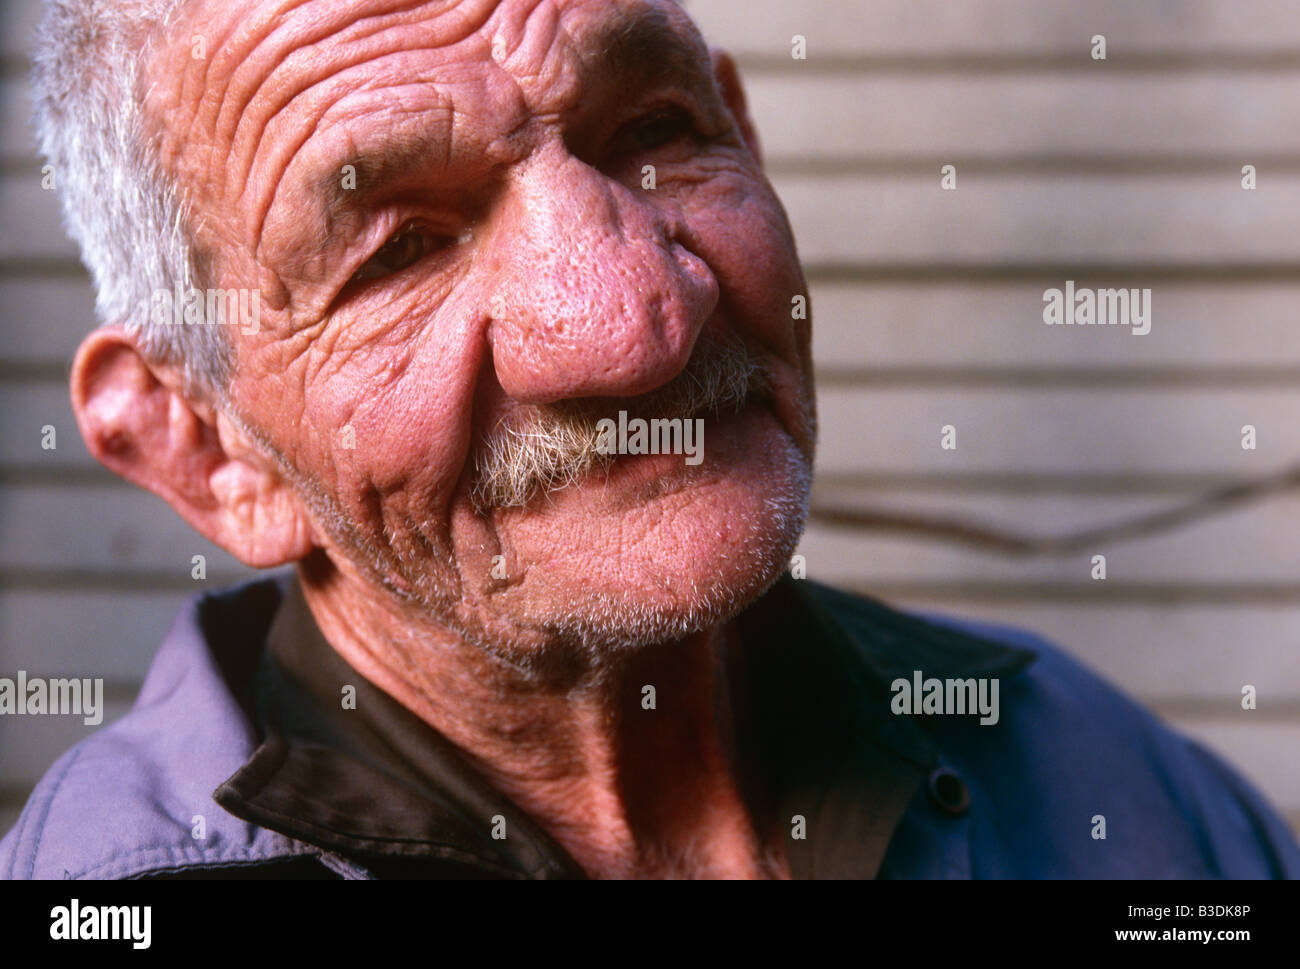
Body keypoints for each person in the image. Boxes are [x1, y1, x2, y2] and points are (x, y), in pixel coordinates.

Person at [3, 0, 1297, 880]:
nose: (636, 326)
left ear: (741, 124)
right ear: (205, 446)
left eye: (658, 134)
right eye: (402, 247)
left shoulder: (1108, 775)